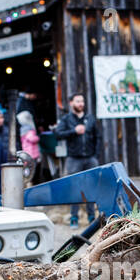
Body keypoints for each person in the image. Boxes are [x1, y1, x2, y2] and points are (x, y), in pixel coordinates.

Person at [54, 92, 99, 226]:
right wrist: (74, 131)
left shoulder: (90, 118)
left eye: (82, 101)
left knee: (91, 186)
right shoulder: (67, 119)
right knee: (75, 188)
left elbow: (98, 137)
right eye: (78, 101)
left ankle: (92, 217)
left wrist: (96, 155)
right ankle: (74, 217)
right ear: (71, 103)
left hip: (90, 158)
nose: (81, 104)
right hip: (74, 159)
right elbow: (57, 134)